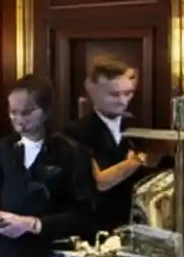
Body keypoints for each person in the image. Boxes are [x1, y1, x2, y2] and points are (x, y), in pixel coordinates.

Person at [0, 74, 96, 257]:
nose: (19, 121)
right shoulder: (2, 149)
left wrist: (33, 224)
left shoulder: (70, 153)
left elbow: (84, 215)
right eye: (13, 113)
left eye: (27, 113)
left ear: (46, 111)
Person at [63, 56, 154, 234]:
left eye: (128, 93)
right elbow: (100, 182)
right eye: (114, 94)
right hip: (97, 228)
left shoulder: (138, 127)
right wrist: (136, 160)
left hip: (136, 226)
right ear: (93, 93)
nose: (123, 101)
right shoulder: (77, 132)